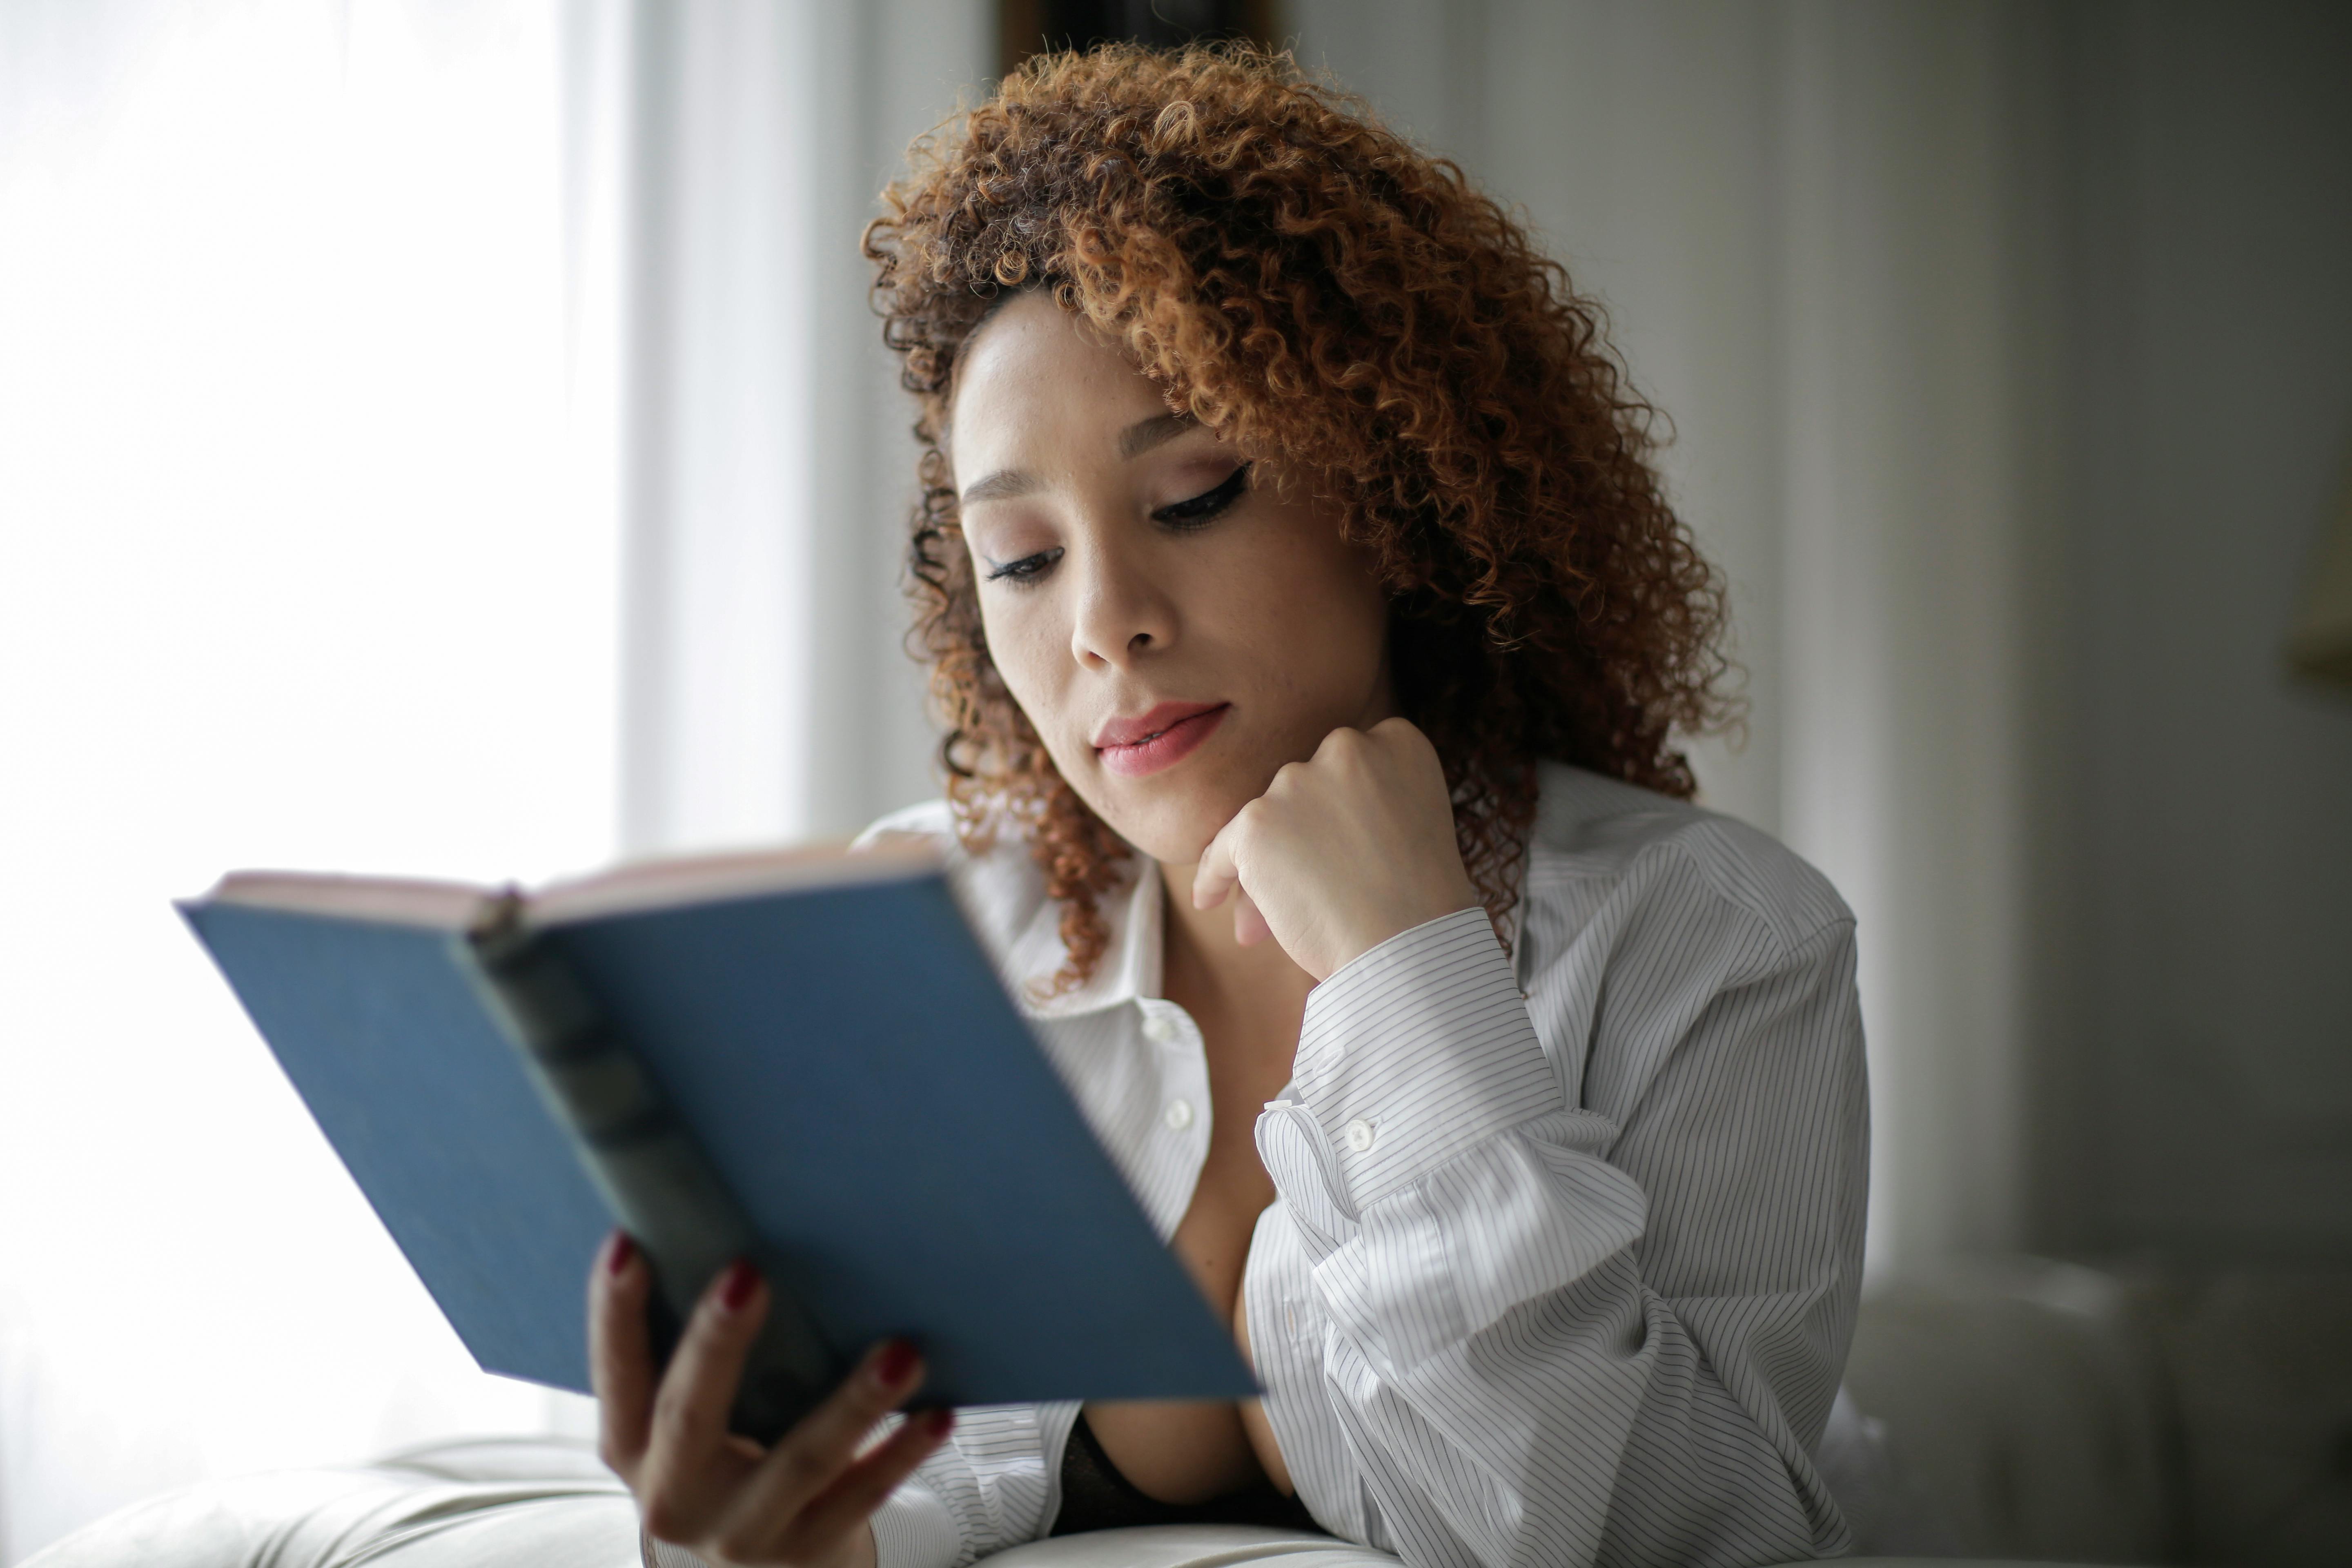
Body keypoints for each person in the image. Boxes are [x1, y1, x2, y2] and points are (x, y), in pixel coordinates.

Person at [588, 42, 1867, 1568]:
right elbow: (853, 1480)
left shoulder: (1710, 939)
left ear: (1394, 492)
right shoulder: (927, 933)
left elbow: (1671, 1534)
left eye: (1192, 498)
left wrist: (1412, 974)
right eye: (1024, 558)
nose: (1104, 623)